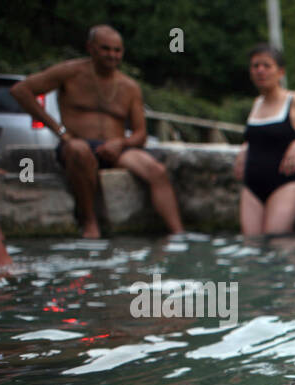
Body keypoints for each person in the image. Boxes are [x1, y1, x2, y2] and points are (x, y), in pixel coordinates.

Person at [11, 25, 183, 238]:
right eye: (106, 49)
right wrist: (61, 132)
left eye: (117, 50)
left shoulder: (129, 86)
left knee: (156, 170)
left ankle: (177, 233)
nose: (112, 55)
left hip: (116, 148)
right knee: (78, 150)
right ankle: (89, 221)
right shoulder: (70, 72)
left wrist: (121, 143)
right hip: (77, 144)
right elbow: (21, 91)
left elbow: (140, 134)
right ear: (90, 48)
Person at [233, 45, 295, 236]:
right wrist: (245, 147)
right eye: (255, 66)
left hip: (284, 184)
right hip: (252, 186)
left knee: (276, 244)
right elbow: (260, 137)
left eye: (266, 65)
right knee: (251, 246)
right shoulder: (257, 103)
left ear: (281, 72)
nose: (260, 71)